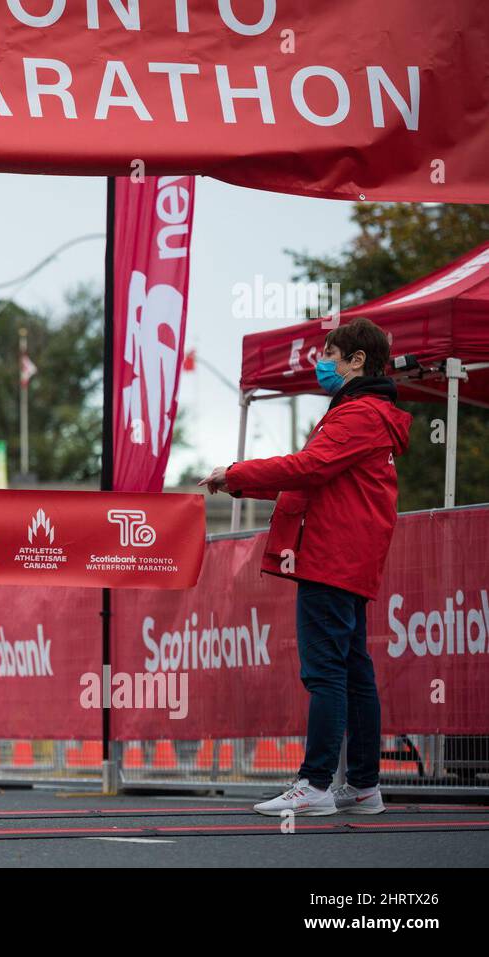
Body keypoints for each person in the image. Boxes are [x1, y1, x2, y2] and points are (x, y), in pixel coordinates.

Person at [199, 317, 411, 817]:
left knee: (325, 674)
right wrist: (240, 482)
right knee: (353, 672)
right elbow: (311, 477)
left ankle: (315, 784)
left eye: (331, 354)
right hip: (348, 558)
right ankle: (361, 787)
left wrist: (237, 471)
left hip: (331, 558)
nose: (323, 364)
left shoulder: (358, 414)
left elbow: (307, 468)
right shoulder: (366, 414)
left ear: (357, 361)